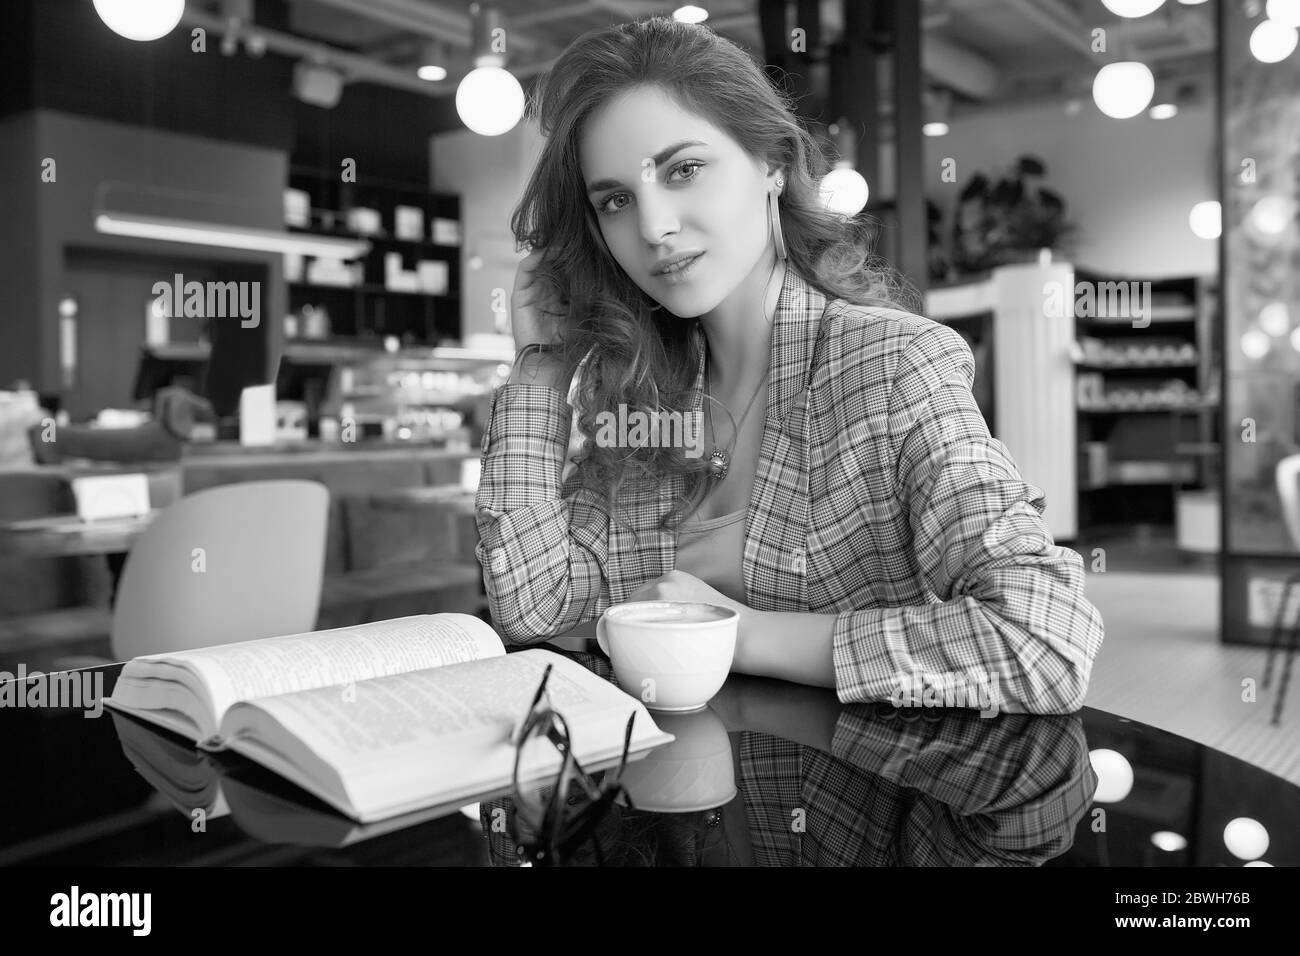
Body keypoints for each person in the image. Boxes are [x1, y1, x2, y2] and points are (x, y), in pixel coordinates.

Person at [475, 16, 1104, 715]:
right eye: (616, 199)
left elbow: (1043, 640)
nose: (653, 227)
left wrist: (745, 636)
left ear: (771, 162)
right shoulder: (644, 392)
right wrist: (541, 366)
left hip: (847, 801)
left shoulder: (890, 364)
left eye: (685, 170)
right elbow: (535, 610)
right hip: (673, 801)